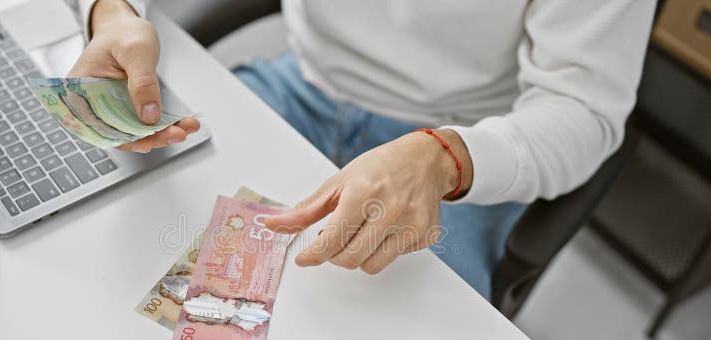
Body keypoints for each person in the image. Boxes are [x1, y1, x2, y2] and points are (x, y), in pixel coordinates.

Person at [69, 0, 655, 298]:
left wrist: (443, 158)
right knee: (119, 249)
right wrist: (112, 14)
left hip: (458, 148)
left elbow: (585, 111)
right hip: (300, 88)